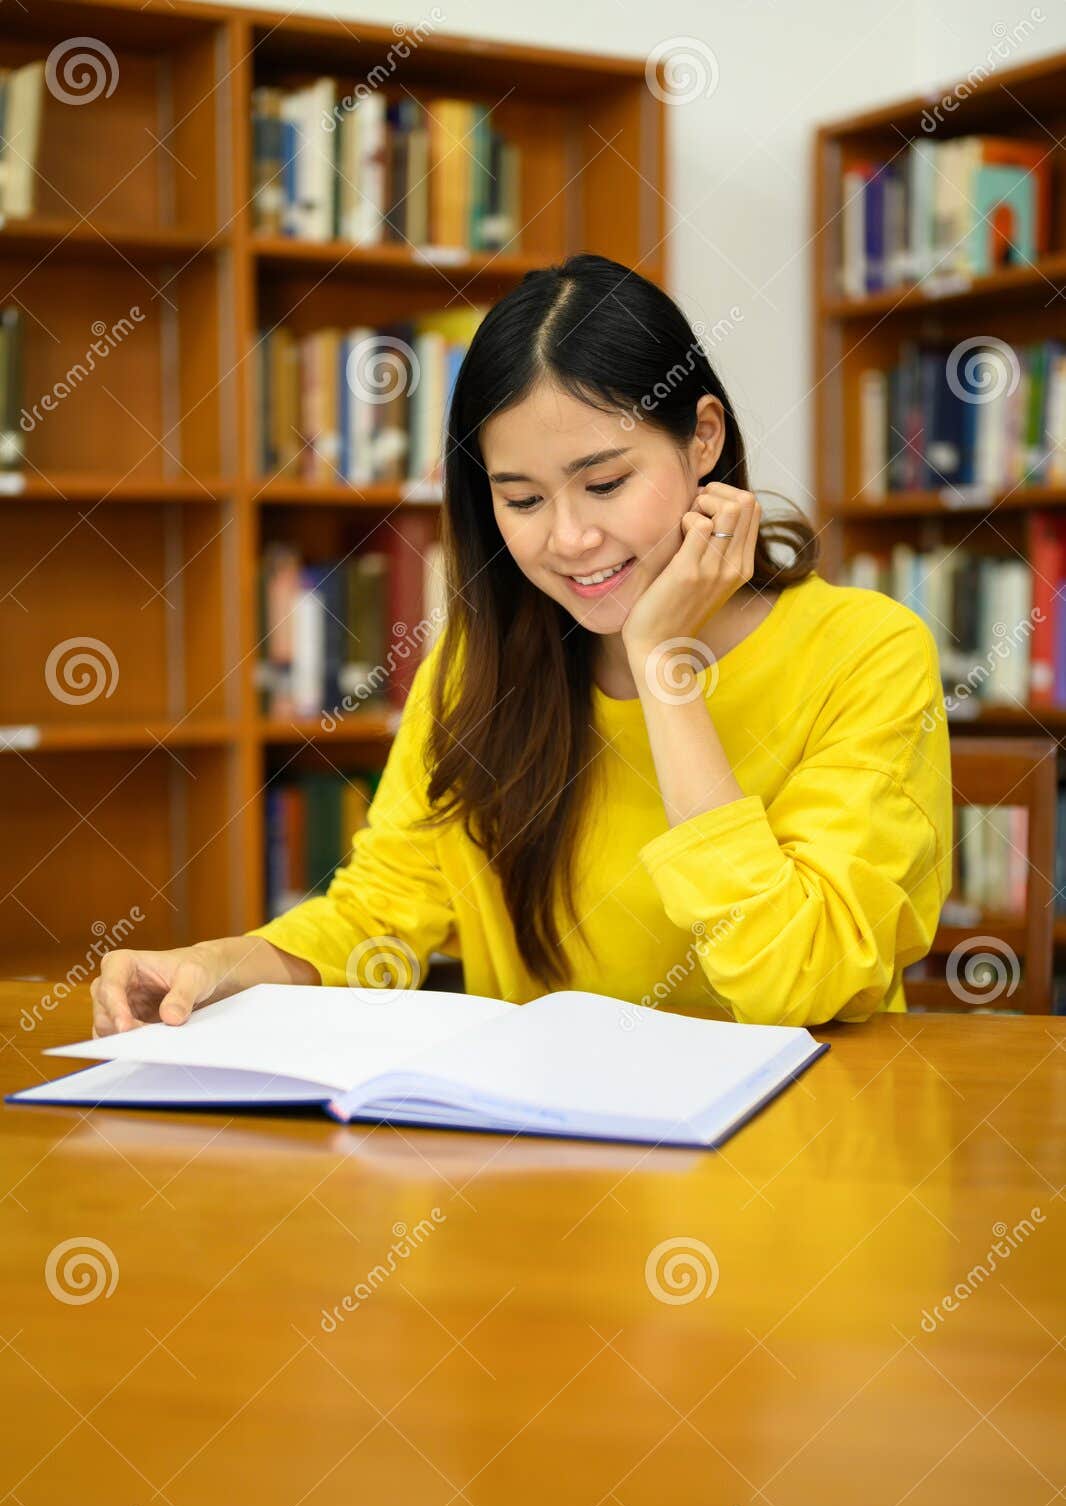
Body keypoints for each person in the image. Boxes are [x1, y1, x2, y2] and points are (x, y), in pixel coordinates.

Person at [91, 252, 952, 1037]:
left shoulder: (867, 652)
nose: (569, 539)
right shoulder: (480, 666)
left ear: (704, 439)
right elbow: (376, 916)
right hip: (548, 1162)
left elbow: (793, 984)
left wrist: (664, 667)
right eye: (524, 500)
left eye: (605, 483)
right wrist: (213, 967)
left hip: (805, 1153)